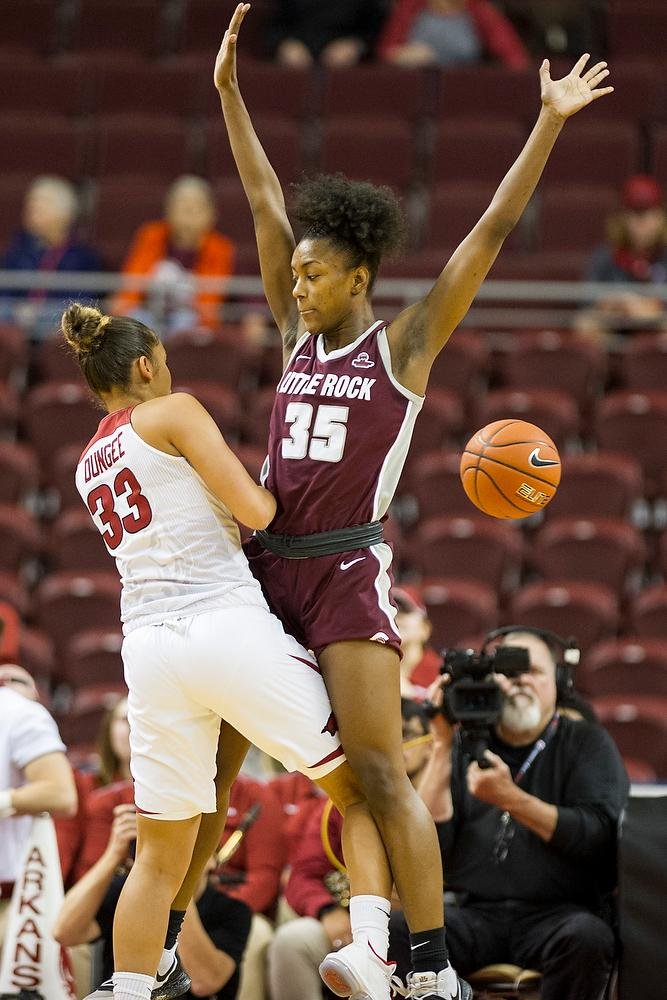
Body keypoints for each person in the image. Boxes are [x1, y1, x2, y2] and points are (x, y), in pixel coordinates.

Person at [216, 5, 612, 997]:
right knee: (243, 769)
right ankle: (201, 950)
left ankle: (427, 968)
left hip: (344, 563)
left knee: (381, 775)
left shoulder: (403, 345)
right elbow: (264, 201)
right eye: (294, 272)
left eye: (313, 271)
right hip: (266, 567)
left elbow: (485, 231)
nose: (295, 283)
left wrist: (549, 123)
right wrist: (227, 94)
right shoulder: (293, 330)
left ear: (357, 272)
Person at [61, 301, 402, 1000]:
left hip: (149, 651)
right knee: (359, 788)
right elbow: (258, 512)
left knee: (159, 854)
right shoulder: (176, 411)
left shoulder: (87, 460)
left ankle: (127, 986)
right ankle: (370, 949)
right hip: (222, 625)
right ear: (145, 365)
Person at [389, 629, 629, 1000]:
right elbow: (427, 847)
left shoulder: (587, 742)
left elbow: (599, 836)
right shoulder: (463, 742)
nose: (520, 681)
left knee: (589, 937)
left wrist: (511, 799)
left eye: (532, 670)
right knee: (399, 928)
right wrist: (441, 746)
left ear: (560, 682)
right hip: (475, 914)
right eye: (508, 671)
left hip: (558, 915)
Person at [269, 700, 433, 1000]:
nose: (396, 746)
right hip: (349, 917)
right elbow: (302, 875)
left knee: (402, 929)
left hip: (422, 921)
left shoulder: (446, 796)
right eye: (387, 735)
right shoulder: (337, 805)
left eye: (406, 735)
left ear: (429, 744)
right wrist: (327, 911)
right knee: (291, 942)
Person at [54, 804, 253, 999]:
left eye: (188, 846)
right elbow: (64, 932)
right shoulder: (129, 891)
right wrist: (115, 853)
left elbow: (206, 983)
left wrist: (171, 878)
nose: (173, 851)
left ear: (212, 859)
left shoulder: (233, 910)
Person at [0, 663, 77, 953]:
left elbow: (60, 793)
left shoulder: (18, 711)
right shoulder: (20, 710)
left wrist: (5, 801)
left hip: (10, 900)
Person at [112, 175, 235, 335]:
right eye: (182, 205)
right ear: (168, 210)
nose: (188, 212)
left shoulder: (220, 248)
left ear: (211, 214)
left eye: (196, 206)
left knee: (186, 326)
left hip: (192, 320)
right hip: (149, 313)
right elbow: (131, 287)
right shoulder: (150, 235)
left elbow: (210, 304)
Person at [1, 175, 102, 339]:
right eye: (30, 204)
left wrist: (40, 313)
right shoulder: (19, 247)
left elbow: (81, 300)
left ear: (64, 214)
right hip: (16, 318)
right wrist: (16, 310)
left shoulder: (82, 256)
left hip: (53, 321)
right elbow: (6, 289)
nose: (30, 210)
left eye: (40, 205)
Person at [576, 174, 667, 339]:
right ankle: (608, 365)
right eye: (637, 214)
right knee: (586, 324)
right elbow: (586, 302)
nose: (643, 223)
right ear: (623, 218)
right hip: (615, 325)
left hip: (655, 326)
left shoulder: (664, 256)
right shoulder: (606, 255)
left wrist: (649, 309)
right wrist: (616, 303)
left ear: (661, 217)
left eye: (650, 213)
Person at [56, 694, 132, 889]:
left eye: (141, 719)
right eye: (125, 719)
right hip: (90, 895)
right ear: (109, 730)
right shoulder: (82, 786)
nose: (134, 726)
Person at [378, 0, 529, 69]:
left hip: (463, 93)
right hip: (414, 90)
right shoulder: (411, 6)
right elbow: (385, 52)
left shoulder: (479, 9)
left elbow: (515, 58)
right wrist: (401, 55)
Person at [266, 0, 390, 68]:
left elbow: (377, 31)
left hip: (346, 67)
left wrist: (356, 46)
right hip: (297, 59)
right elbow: (273, 28)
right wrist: (284, 45)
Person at [393, 587, 441, 702]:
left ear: (425, 629)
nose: (396, 615)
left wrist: (411, 697)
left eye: (404, 610)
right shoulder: (372, 668)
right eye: (391, 609)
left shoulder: (439, 674)